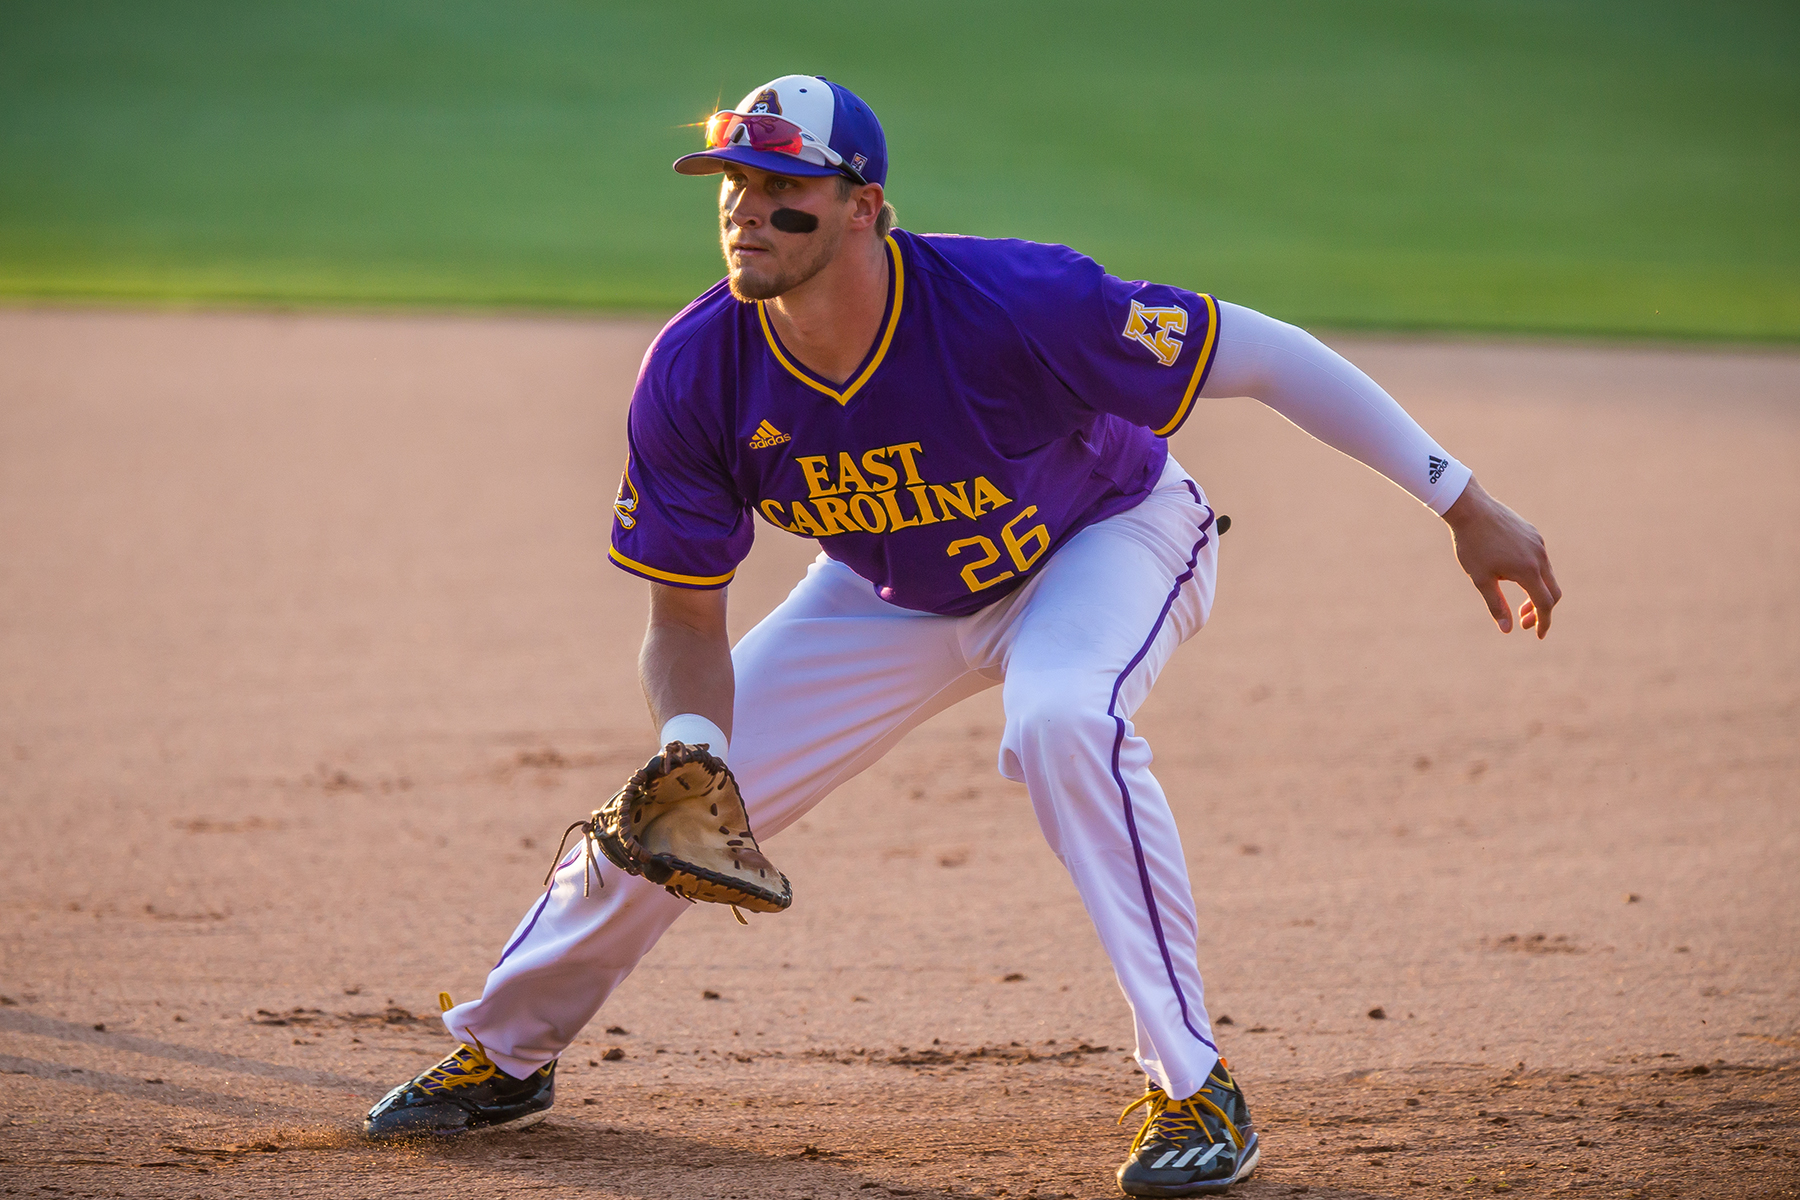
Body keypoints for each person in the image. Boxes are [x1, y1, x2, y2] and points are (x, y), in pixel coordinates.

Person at [364, 74, 1561, 1195]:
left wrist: (1465, 500)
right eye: (732, 188)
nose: (750, 216)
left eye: (786, 195)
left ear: (864, 207)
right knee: (665, 806)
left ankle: (1195, 1092)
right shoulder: (695, 370)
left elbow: (1254, 350)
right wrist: (695, 743)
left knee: (1060, 720)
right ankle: (506, 1051)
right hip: (893, 590)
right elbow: (683, 613)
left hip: (1107, 537)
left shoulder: (1011, 302)